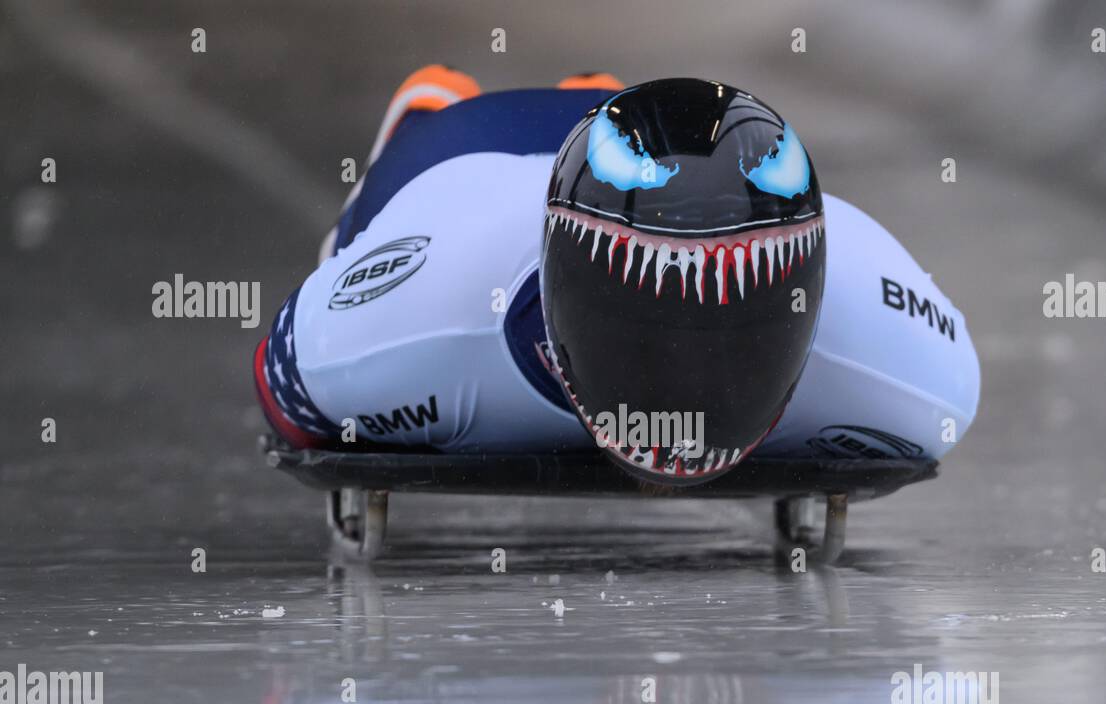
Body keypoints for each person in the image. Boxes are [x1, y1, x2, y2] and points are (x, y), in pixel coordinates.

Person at [254, 67, 979, 486]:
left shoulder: (913, 366)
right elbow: (286, 383)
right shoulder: (419, 306)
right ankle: (428, 113)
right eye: (651, 336)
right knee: (357, 235)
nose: (687, 389)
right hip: (466, 163)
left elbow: (289, 405)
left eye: (739, 334)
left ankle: (587, 93)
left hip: (543, 185)